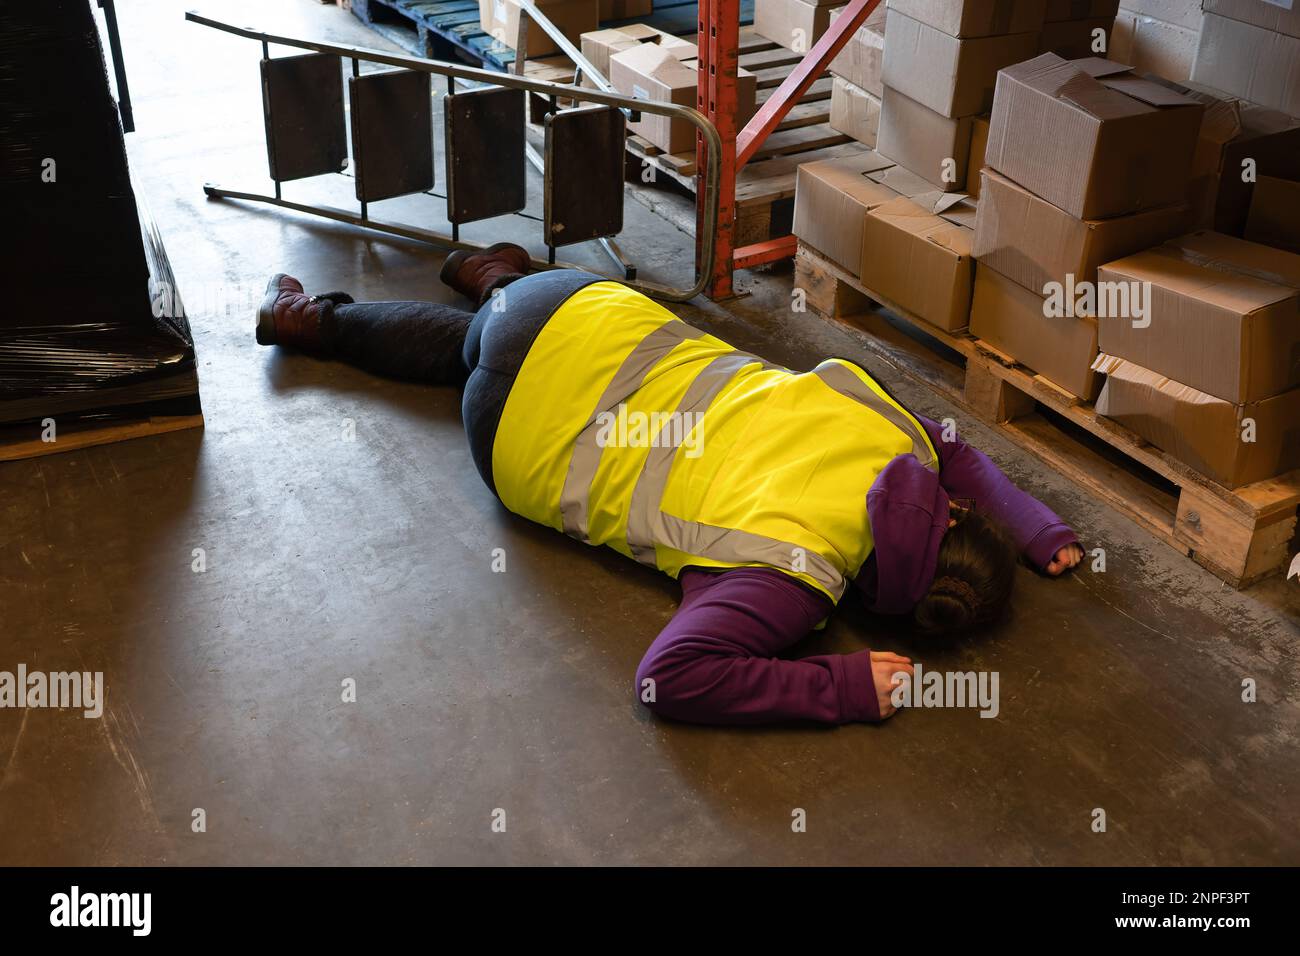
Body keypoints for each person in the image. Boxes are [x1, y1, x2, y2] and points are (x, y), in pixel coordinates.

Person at [256, 243, 1084, 726]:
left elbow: (962, 455)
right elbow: (669, 677)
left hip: (581, 314)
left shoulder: (891, 431)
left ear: (956, 508)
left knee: (514, 311)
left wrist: (1039, 526)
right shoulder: (791, 579)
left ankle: (487, 277)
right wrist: (838, 684)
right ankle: (324, 323)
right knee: (481, 346)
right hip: (513, 439)